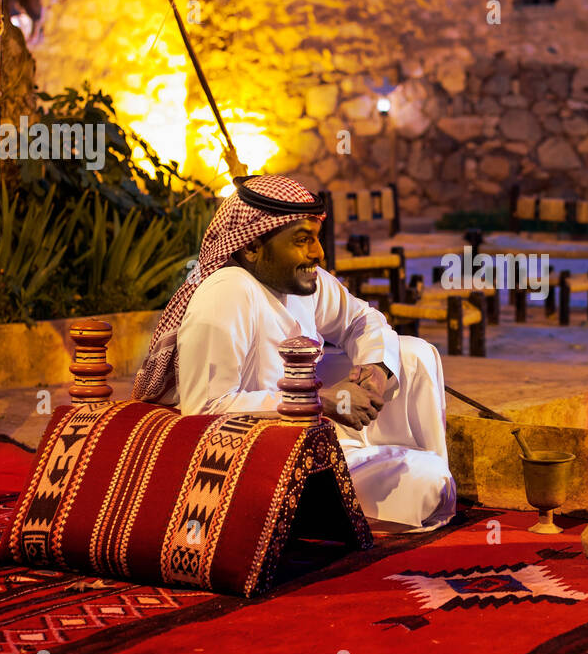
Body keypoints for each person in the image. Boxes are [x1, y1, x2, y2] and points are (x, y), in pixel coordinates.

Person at [133, 174, 456, 534]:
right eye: (303, 241)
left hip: (312, 435)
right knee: (429, 486)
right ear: (252, 247)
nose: (318, 253)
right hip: (258, 461)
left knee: (412, 353)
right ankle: (295, 514)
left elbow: (363, 319)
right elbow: (205, 411)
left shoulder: (300, 281)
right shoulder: (227, 292)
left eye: (316, 239)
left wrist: (375, 368)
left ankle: (369, 480)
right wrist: (319, 402)